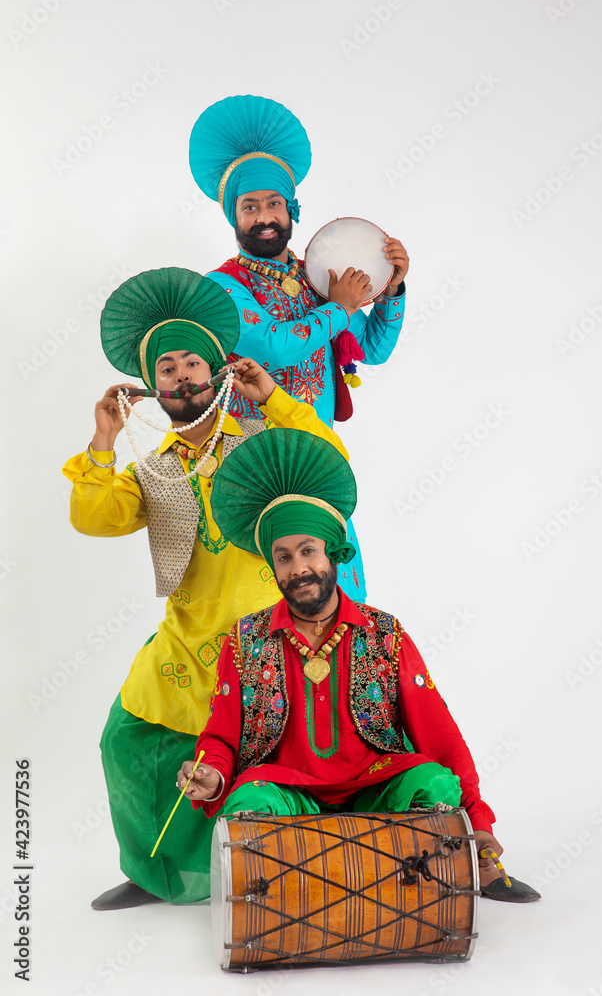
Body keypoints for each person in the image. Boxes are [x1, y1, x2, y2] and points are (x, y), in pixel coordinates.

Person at [62, 267, 352, 910]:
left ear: (217, 370)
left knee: (262, 759)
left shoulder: (259, 442)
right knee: (128, 738)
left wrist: (272, 394)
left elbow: (330, 454)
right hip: (187, 638)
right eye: (167, 367)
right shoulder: (156, 468)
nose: (182, 374)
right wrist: (104, 440)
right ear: (152, 387)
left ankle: (282, 875)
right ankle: (156, 871)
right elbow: (93, 518)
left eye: (193, 361)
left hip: (264, 638)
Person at [178, 429, 540, 903]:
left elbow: (439, 736)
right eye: (283, 557)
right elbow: (222, 736)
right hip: (288, 793)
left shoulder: (385, 634)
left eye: (308, 550)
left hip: (376, 789)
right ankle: (279, 901)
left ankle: (458, 867)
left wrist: (479, 824)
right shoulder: (244, 641)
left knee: (432, 782)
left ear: (333, 554)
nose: (297, 568)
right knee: (246, 800)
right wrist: (212, 775)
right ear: (273, 566)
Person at [189, 94, 411, 600]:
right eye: (250, 206)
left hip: (318, 456)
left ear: (291, 209)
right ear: (234, 217)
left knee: (337, 599)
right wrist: (340, 306)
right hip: (253, 466)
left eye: (273, 203)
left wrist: (390, 290)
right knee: (264, 606)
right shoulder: (221, 286)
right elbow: (272, 349)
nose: (263, 216)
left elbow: (372, 351)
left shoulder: (317, 276)